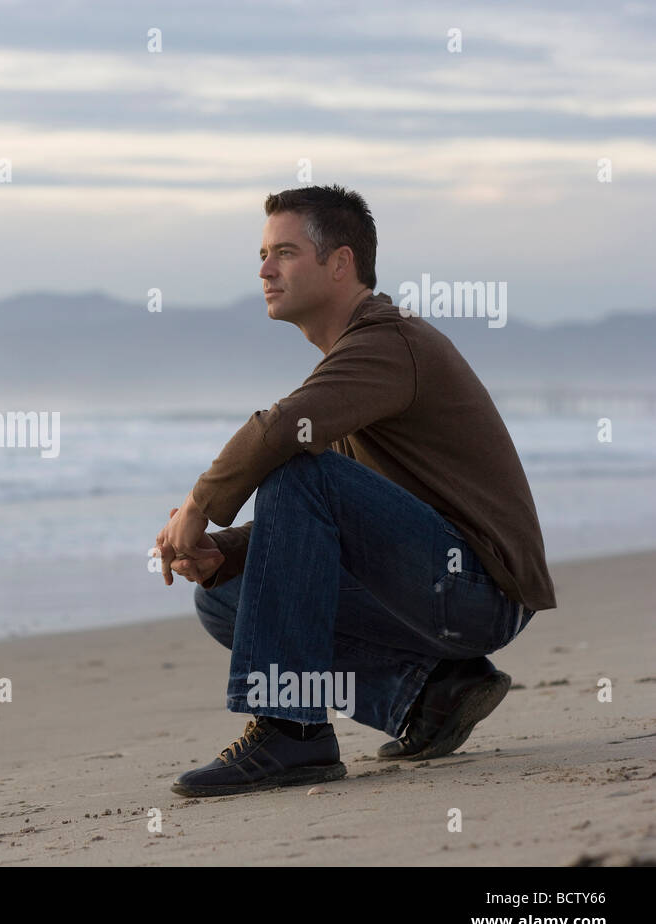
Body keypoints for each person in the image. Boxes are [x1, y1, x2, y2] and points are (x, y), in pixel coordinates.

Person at [155, 185, 556, 797]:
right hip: (431, 594)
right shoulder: (348, 367)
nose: (264, 270)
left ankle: (292, 731)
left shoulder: (388, 342)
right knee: (223, 595)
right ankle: (432, 693)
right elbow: (314, 526)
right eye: (262, 255)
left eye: (284, 253)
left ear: (339, 263)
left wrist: (198, 507)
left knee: (296, 464)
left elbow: (280, 432)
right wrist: (222, 551)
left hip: (478, 590)